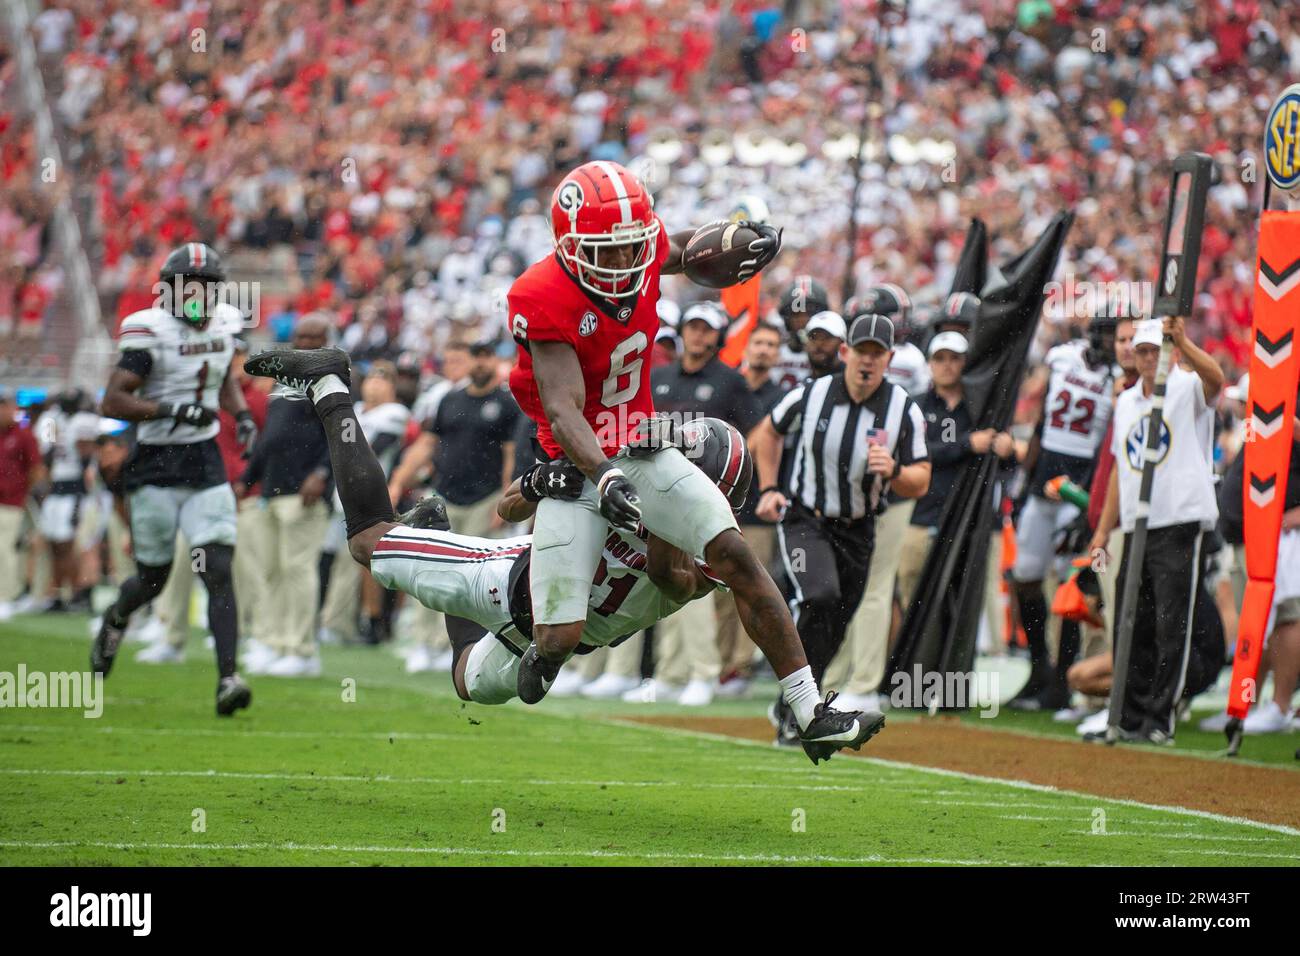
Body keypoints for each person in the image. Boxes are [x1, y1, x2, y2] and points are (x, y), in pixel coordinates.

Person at [245, 347, 886, 764]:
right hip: (511, 581)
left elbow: (673, 570)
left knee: (469, 681)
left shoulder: (695, 562)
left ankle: (440, 532)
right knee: (367, 542)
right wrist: (549, 480)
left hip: (551, 635)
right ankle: (331, 385)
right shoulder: (626, 471)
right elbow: (508, 510)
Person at [505, 160, 877, 761]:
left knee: (732, 552)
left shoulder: (637, 248)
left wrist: (738, 237)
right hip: (578, 463)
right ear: (569, 248)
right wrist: (603, 476)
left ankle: (808, 711)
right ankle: (543, 653)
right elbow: (564, 407)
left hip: (645, 440)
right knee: (560, 635)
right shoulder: (541, 295)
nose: (626, 264)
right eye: (611, 252)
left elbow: (680, 248)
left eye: (632, 249)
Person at [91, 242, 257, 716]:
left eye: (206, 286)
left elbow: (222, 375)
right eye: (188, 285)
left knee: (218, 569)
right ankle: (117, 615)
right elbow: (113, 400)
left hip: (204, 461)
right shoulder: (149, 328)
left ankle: (228, 677)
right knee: (152, 580)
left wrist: (241, 413)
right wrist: (169, 407)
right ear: (169, 289)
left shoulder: (226, 321)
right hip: (156, 465)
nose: (198, 294)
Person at [751, 314, 931, 744]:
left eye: (877, 353)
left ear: (889, 358)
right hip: (805, 518)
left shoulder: (903, 407)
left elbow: (921, 479)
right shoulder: (811, 394)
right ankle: (802, 709)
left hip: (859, 528)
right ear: (846, 352)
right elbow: (769, 433)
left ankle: (792, 706)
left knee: (838, 619)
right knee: (819, 595)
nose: (867, 361)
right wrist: (771, 486)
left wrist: (895, 471)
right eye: (861, 351)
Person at [1089, 317, 1225, 744]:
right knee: (1135, 619)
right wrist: (1102, 530)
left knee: (1172, 621)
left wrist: (1184, 339)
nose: (1149, 358)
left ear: (1171, 353)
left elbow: (1217, 380)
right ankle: (1129, 713)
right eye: (1143, 351)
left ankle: (1161, 715)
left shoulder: (1185, 387)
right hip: (1137, 523)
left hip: (1178, 516)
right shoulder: (1127, 401)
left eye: (1156, 350)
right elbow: (1119, 471)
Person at [636, 301, 763, 705]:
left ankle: (703, 673)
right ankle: (669, 674)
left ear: (718, 335)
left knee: (691, 582)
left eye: (707, 329)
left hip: (706, 495)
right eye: (693, 326)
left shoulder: (730, 381)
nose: (698, 334)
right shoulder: (656, 377)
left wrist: (731, 486)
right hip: (661, 491)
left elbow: (754, 435)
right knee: (661, 580)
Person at [1010, 311, 1118, 706]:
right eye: (1106, 336)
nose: (1110, 345)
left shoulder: (1120, 379)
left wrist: (1088, 503)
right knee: (1024, 575)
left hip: (1080, 487)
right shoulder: (1063, 357)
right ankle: (1038, 666)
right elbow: (1040, 423)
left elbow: (1107, 448)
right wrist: (1025, 480)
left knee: (1069, 584)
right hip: (1044, 483)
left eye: (1116, 338)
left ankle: (1061, 679)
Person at [236, 312, 335, 677]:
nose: (306, 344)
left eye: (315, 337)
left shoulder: (331, 379)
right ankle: (276, 642)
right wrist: (247, 479)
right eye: (302, 337)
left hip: (304, 490)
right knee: (273, 570)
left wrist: (322, 473)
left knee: (298, 568)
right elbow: (269, 438)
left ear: (328, 340)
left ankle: (303, 649)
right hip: (273, 489)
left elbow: (339, 435)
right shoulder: (284, 381)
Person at [897, 331, 1015, 607]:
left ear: (966, 363)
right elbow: (914, 453)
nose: (947, 365)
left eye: (955, 358)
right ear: (929, 363)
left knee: (965, 600)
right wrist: (966, 445)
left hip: (968, 519)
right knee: (912, 595)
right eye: (940, 358)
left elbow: (1004, 461)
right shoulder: (914, 405)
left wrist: (1007, 449)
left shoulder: (983, 409)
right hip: (920, 514)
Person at [33, 388, 100, 612]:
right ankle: (59, 593)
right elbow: (48, 454)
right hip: (58, 489)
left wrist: (83, 494)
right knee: (55, 544)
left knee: (72, 544)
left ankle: (78, 592)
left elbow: (85, 457)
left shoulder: (83, 421)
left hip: (77, 491)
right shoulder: (53, 420)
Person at [0, 389, 42, 620]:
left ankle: (5, 598)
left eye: (3, 405)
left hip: (11, 501)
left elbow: (36, 469)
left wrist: (23, 493)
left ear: (12, 408)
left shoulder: (23, 435)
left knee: (4, 550)